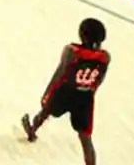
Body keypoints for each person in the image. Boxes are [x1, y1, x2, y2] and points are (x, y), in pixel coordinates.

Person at [21, 18, 110, 165]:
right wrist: (90, 91)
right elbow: (100, 79)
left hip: (65, 92)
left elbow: (60, 73)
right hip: (85, 97)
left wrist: (47, 93)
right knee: (85, 138)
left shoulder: (72, 51)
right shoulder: (105, 57)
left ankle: (32, 131)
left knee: (45, 112)